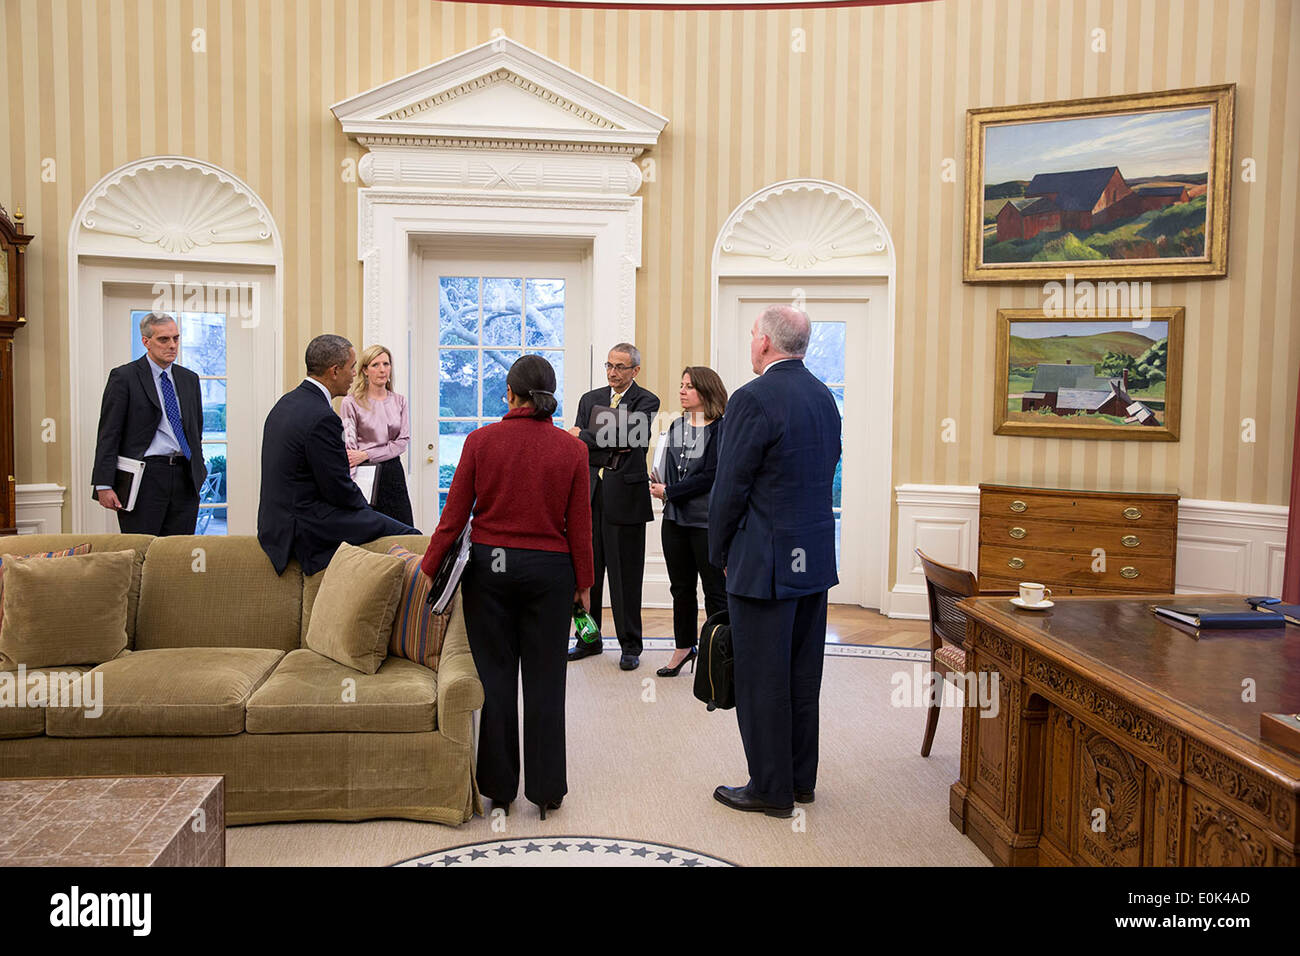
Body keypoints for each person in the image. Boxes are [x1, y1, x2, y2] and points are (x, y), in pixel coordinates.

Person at [422, 355, 592, 820]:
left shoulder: (480, 441)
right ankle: (547, 790)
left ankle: (498, 787)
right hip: (550, 572)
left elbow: (453, 517)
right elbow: (580, 525)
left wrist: (427, 569)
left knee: (495, 680)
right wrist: (585, 583)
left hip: (490, 572)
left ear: (511, 394)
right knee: (546, 682)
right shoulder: (572, 450)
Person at [708, 306, 841, 818]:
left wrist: (718, 553)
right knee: (802, 677)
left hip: (763, 563)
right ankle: (800, 780)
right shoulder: (824, 396)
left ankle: (769, 789)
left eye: (750, 336)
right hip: (813, 561)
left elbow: (730, 488)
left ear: (764, 342)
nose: (750, 343)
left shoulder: (752, 397)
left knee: (762, 680)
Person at [257, 334, 418, 576]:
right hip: (303, 525)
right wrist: (367, 511)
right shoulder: (323, 417)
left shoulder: (285, 404)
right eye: (352, 367)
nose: (354, 374)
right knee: (409, 535)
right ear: (334, 371)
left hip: (274, 523)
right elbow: (338, 489)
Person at [566, 343, 660, 671]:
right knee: (587, 575)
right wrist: (604, 442)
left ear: (635, 370)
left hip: (627, 500)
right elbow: (582, 448)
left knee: (626, 577)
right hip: (590, 497)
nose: (612, 373)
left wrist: (590, 437)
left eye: (620, 367)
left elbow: (629, 440)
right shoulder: (589, 399)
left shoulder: (647, 400)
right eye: (609, 365)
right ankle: (588, 640)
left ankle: (630, 645)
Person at [90, 312, 207, 535]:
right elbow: (109, 433)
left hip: (185, 476)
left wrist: (198, 470)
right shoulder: (124, 377)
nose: (172, 345)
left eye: (176, 338)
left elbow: (195, 431)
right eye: (164, 339)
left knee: (178, 552)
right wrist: (103, 484)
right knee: (142, 550)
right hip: (145, 476)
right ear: (146, 342)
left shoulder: (189, 379)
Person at [649, 366, 728, 677]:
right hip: (674, 520)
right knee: (680, 589)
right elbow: (666, 465)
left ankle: (718, 654)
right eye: (681, 385)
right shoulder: (677, 425)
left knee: (714, 591)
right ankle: (684, 648)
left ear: (706, 392)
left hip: (706, 523)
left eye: (689, 386)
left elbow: (711, 476)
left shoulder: (722, 428)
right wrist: (657, 484)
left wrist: (670, 491)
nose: (682, 391)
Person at [340, 345, 413, 526]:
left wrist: (367, 454)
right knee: (367, 531)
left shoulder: (400, 401)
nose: (382, 370)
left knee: (403, 529)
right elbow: (351, 451)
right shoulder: (350, 402)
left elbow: (402, 443)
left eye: (386, 364)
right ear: (364, 370)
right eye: (375, 365)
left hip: (393, 473)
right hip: (364, 473)